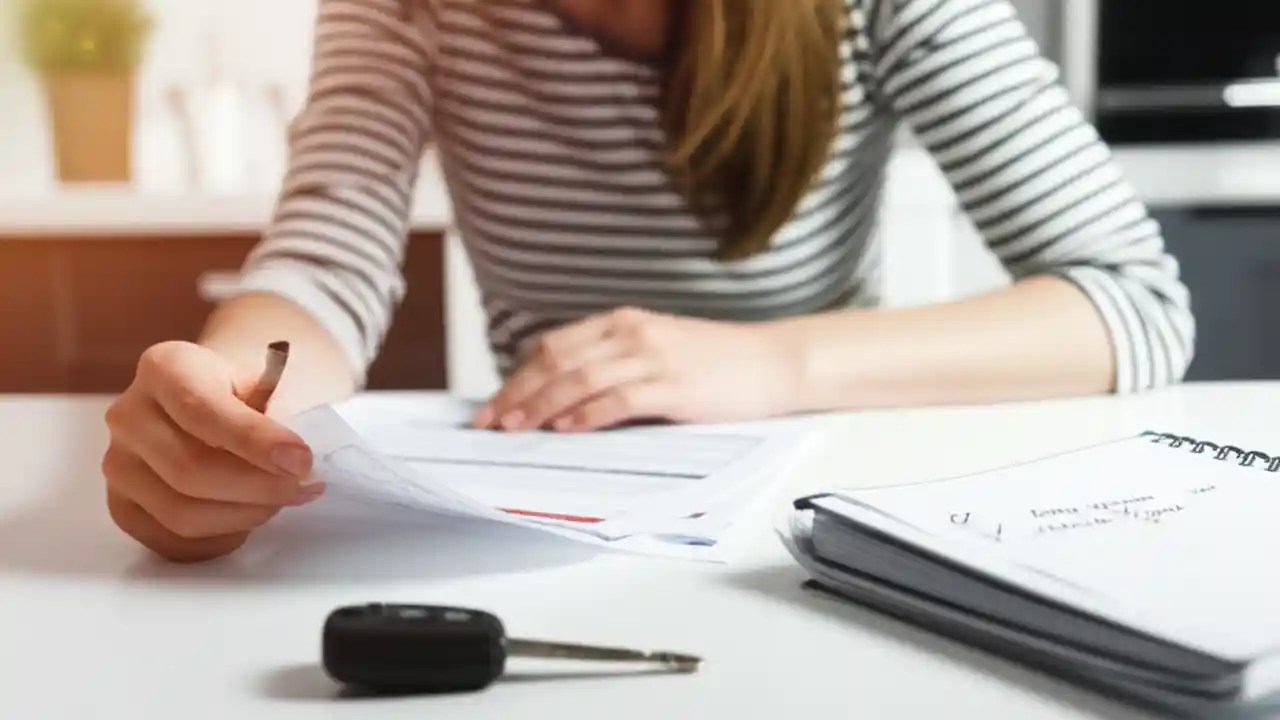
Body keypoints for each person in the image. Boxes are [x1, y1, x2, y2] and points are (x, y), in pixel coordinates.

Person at [102, 0, 1195, 561]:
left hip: (821, 532)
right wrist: (233, 400)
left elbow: (1129, 301)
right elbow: (325, 262)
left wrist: (769, 363)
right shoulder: (413, 12)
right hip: (537, 521)